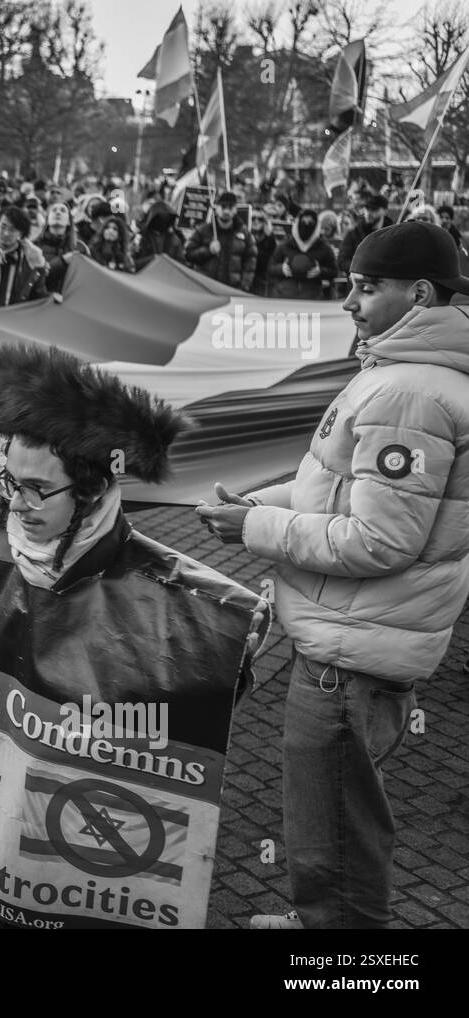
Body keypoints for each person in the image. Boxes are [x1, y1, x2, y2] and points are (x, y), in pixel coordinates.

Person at [197, 220, 469, 930]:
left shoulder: (407, 393)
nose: (348, 300)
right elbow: (339, 497)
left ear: (418, 293)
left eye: (364, 286)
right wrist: (256, 504)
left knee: (335, 820)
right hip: (359, 639)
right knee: (335, 805)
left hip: (352, 654)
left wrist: (252, 529)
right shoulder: (400, 377)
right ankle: (323, 921)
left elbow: (379, 540)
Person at [0, 342, 263, 928]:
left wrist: (226, 658)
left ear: (92, 488)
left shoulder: (167, 597)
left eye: (39, 489)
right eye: (8, 480)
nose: (16, 503)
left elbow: (188, 724)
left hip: (86, 872)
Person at [0, 206, 49, 307]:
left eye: (12, 230)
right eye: (3, 227)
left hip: (15, 319)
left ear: (21, 233)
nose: (6, 233)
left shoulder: (31, 262)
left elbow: (39, 297)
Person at [184, 191, 256, 291]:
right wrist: (208, 251)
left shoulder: (244, 233)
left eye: (230, 207)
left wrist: (244, 286)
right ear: (216, 208)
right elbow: (188, 254)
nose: (226, 211)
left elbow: (251, 261)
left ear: (235, 210)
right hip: (206, 289)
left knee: (239, 308)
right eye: (223, 207)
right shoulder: (203, 230)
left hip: (234, 291)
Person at [268, 208, 337, 300]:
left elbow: (334, 271)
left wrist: (320, 271)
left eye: (310, 222)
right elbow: (271, 267)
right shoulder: (284, 245)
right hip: (284, 297)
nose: (306, 225)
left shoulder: (324, 248)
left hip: (313, 299)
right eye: (303, 221)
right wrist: (281, 269)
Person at [34, 202, 89, 293]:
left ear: (68, 221)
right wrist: (62, 261)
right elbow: (32, 279)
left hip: (70, 302)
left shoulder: (80, 247)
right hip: (42, 302)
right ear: (47, 220)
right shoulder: (35, 246)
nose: (58, 212)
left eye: (63, 211)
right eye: (54, 210)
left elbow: (87, 278)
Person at [338, 194, 392, 276]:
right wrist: (360, 270)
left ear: (385, 211)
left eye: (374, 209)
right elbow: (342, 261)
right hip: (359, 283)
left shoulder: (393, 233)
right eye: (367, 208)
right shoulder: (353, 234)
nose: (368, 213)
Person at [133, 200, 184, 271]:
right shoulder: (141, 238)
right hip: (144, 277)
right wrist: (152, 259)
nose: (163, 220)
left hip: (166, 277)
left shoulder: (174, 240)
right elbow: (132, 263)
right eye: (159, 217)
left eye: (165, 217)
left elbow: (181, 264)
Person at [249, 207, 277, 296]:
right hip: (244, 282)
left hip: (261, 284)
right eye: (253, 218)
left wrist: (270, 236)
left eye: (260, 219)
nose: (256, 221)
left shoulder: (269, 240)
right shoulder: (242, 236)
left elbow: (272, 258)